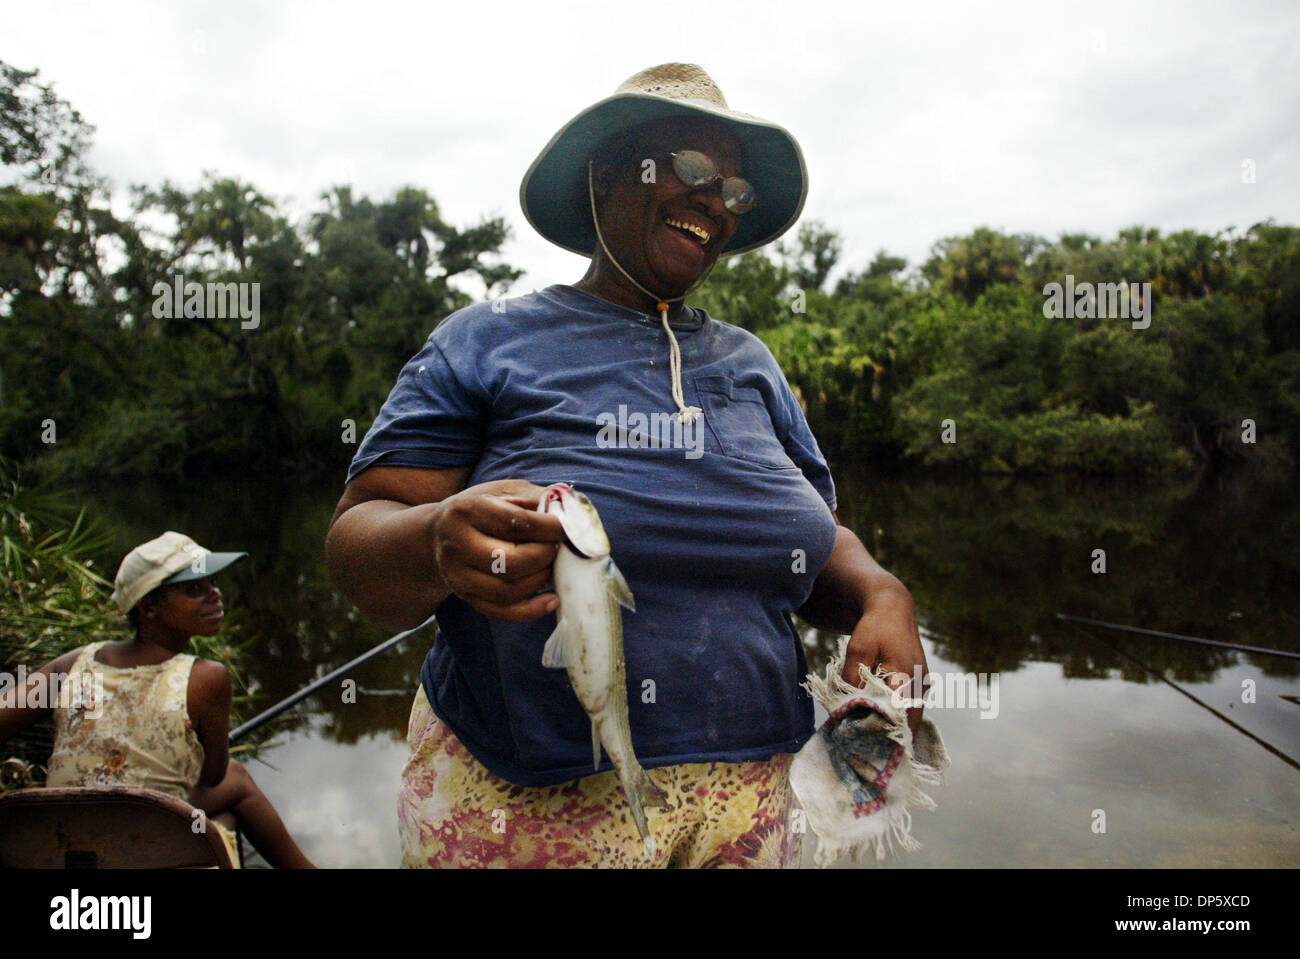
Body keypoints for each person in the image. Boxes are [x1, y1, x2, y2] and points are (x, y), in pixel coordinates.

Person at [326, 63, 927, 868]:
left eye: (734, 192)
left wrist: (882, 592)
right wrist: (435, 536)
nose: (715, 202)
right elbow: (358, 546)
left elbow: (813, 547)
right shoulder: (489, 340)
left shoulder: (752, 365)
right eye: (691, 170)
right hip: (523, 805)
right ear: (607, 175)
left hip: (751, 803)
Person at [0, 531, 314, 868]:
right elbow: (212, 776)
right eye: (195, 589)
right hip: (146, 841)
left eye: (212, 584)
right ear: (148, 606)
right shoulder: (207, 677)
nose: (215, 595)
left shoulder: (72, 664)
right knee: (235, 779)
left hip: (64, 840)